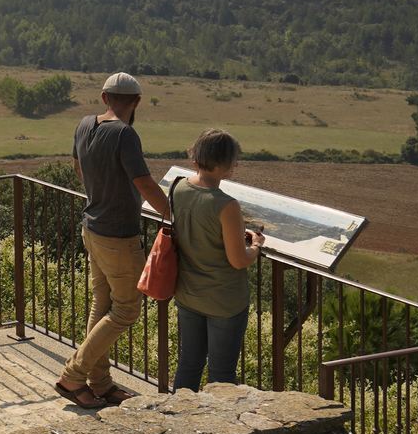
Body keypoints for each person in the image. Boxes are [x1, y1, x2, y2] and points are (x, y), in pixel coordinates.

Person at [53, 72, 173, 408]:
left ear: (104, 98)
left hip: (91, 228)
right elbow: (144, 183)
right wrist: (172, 213)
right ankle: (73, 376)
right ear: (136, 102)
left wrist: (100, 191)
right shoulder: (125, 134)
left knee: (101, 305)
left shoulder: (84, 124)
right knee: (126, 311)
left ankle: (100, 383)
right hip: (118, 235)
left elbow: (78, 168)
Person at [171, 128, 264, 390]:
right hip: (224, 301)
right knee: (221, 374)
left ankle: (177, 419)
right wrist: (255, 246)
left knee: (188, 364)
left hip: (188, 293)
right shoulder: (226, 205)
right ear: (226, 163)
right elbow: (238, 260)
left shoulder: (178, 187)